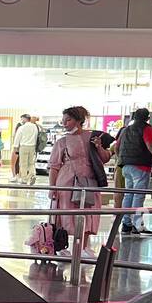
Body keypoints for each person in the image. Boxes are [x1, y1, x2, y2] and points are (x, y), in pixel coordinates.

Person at [48, 106, 109, 247]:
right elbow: (54, 167)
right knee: (67, 215)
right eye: (63, 120)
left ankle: (84, 247)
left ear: (79, 120)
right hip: (67, 183)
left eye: (68, 120)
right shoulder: (62, 142)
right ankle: (64, 245)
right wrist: (53, 188)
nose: (64, 123)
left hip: (89, 182)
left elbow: (105, 158)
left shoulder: (94, 137)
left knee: (88, 213)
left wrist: (99, 147)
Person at [115, 107, 152, 236]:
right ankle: (137, 225)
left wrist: (122, 159)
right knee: (138, 195)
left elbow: (117, 147)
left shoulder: (125, 130)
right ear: (147, 118)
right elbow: (150, 145)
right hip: (140, 166)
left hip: (125, 166)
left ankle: (126, 224)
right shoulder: (146, 128)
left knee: (128, 195)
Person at [11, 113, 39, 184]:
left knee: (23, 164)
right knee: (31, 163)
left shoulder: (22, 127)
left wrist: (15, 147)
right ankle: (33, 175)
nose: (21, 120)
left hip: (23, 147)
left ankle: (24, 179)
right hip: (32, 146)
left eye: (22, 118)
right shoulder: (34, 127)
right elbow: (36, 136)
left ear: (25, 119)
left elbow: (18, 137)